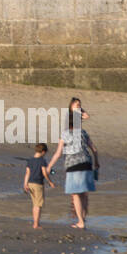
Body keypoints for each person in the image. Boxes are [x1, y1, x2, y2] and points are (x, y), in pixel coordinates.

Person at [47, 98, 98, 229]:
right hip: (87, 162)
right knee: (84, 194)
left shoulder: (65, 134)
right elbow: (94, 149)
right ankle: (83, 220)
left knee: (75, 194)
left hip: (73, 164)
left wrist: (49, 166)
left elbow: (58, 153)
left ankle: (80, 221)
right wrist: (96, 163)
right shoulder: (83, 133)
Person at [23, 143, 57, 229]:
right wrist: (50, 182)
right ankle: (36, 224)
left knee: (35, 204)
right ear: (43, 152)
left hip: (30, 183)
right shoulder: (42, 160)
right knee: (38, 205)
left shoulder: (30, 160)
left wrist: (25, 184)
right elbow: (44, 172)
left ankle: (35, 222)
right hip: (38, 184)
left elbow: (27, 173)